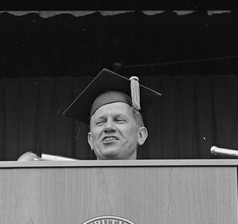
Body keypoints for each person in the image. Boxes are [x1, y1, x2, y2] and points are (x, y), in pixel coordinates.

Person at [19, 68, 161, 162]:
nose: (108, 127)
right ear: (90, 140)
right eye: (100, 122)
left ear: (141, 135)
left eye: (119, 120)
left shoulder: (164, 184)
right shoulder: (70, 185)